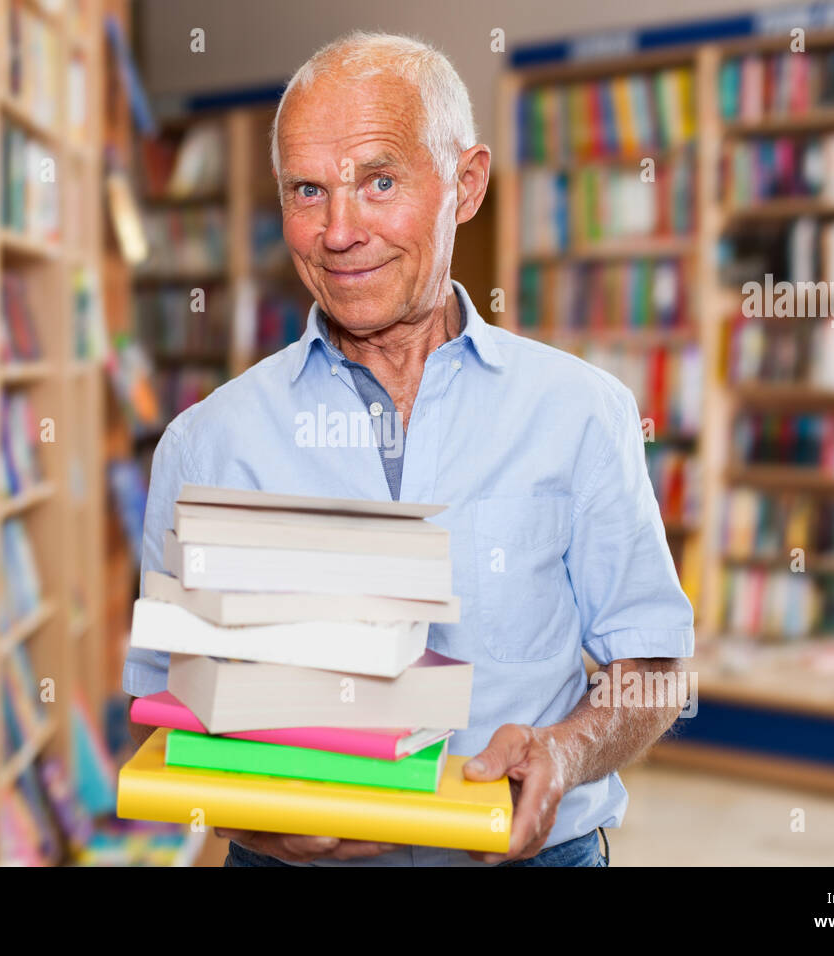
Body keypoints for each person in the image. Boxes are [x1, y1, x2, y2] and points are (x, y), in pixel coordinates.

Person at [123, 30, 694, 867]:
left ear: (466, 184)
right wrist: (245, 817)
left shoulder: (582, 414)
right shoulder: (207, 444)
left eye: (378, 181)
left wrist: (566, 750)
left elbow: (654, 666)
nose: (339, 231)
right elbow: (164, 703)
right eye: (307, 191)